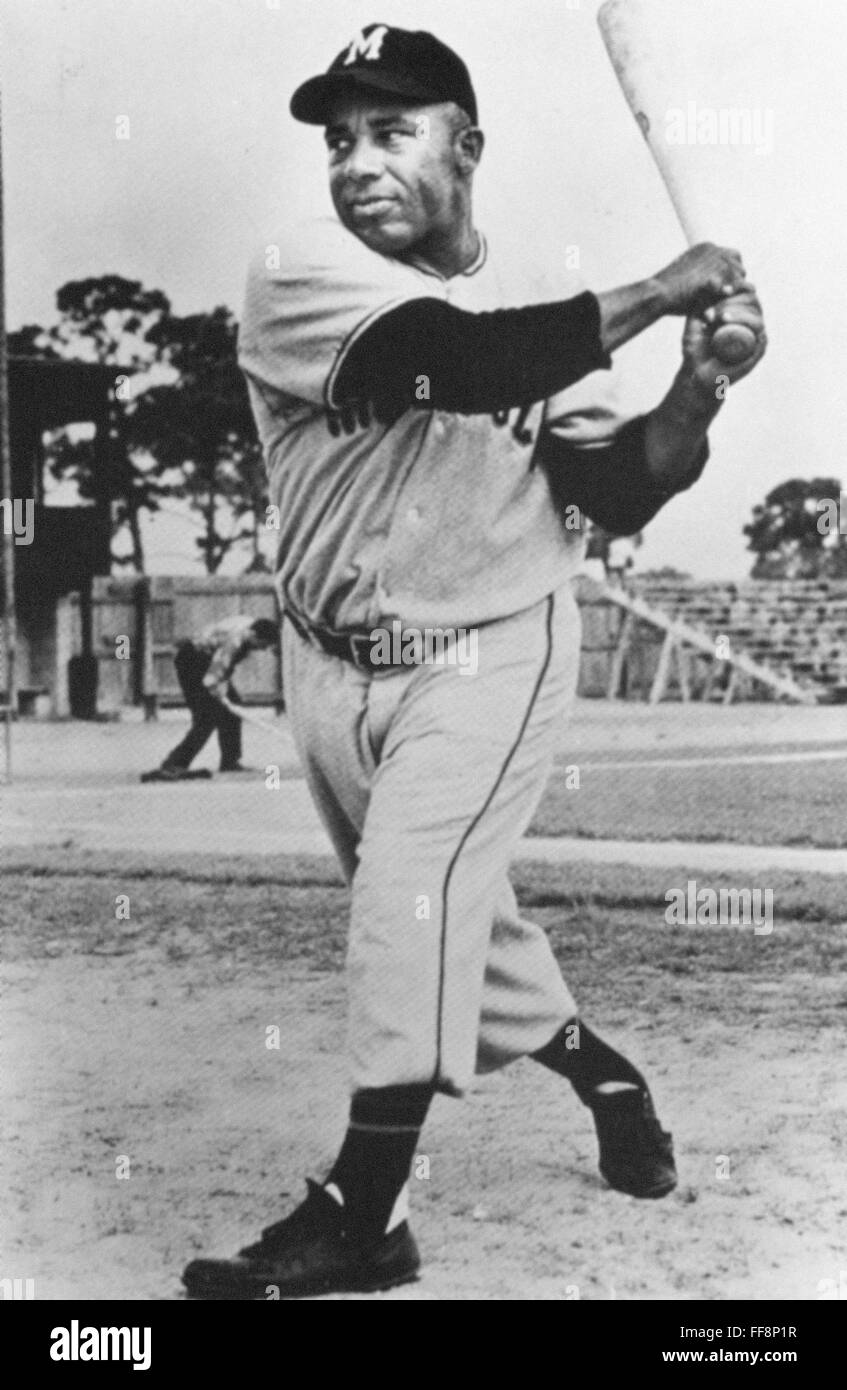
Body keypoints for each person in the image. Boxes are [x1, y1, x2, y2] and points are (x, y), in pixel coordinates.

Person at [182, 23, 766, 1298]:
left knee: (409, 901)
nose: (355, 162)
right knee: (455, 923)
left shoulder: (547, 321)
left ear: (468, 147)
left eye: (392, 130)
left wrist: (697, 387)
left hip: (490, 650)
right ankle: (607, 1078)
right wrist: (662, 290)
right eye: (339, 138)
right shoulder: (301, 277)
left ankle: (364, 1215)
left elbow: (613, 496)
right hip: (328, 666)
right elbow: (455, 358)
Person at [142, 615, 279, 781]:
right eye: (262, 645)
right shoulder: (236, 640)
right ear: (253, 636)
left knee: (232, 707)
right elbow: (214, 675)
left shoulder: (251, 627)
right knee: (206, 717)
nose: (262, 650)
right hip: (191, 661)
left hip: (206, 660)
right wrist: (219, 692)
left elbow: (224, 667)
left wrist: (224, 691)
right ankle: (175, 763)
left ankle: (230, 761)